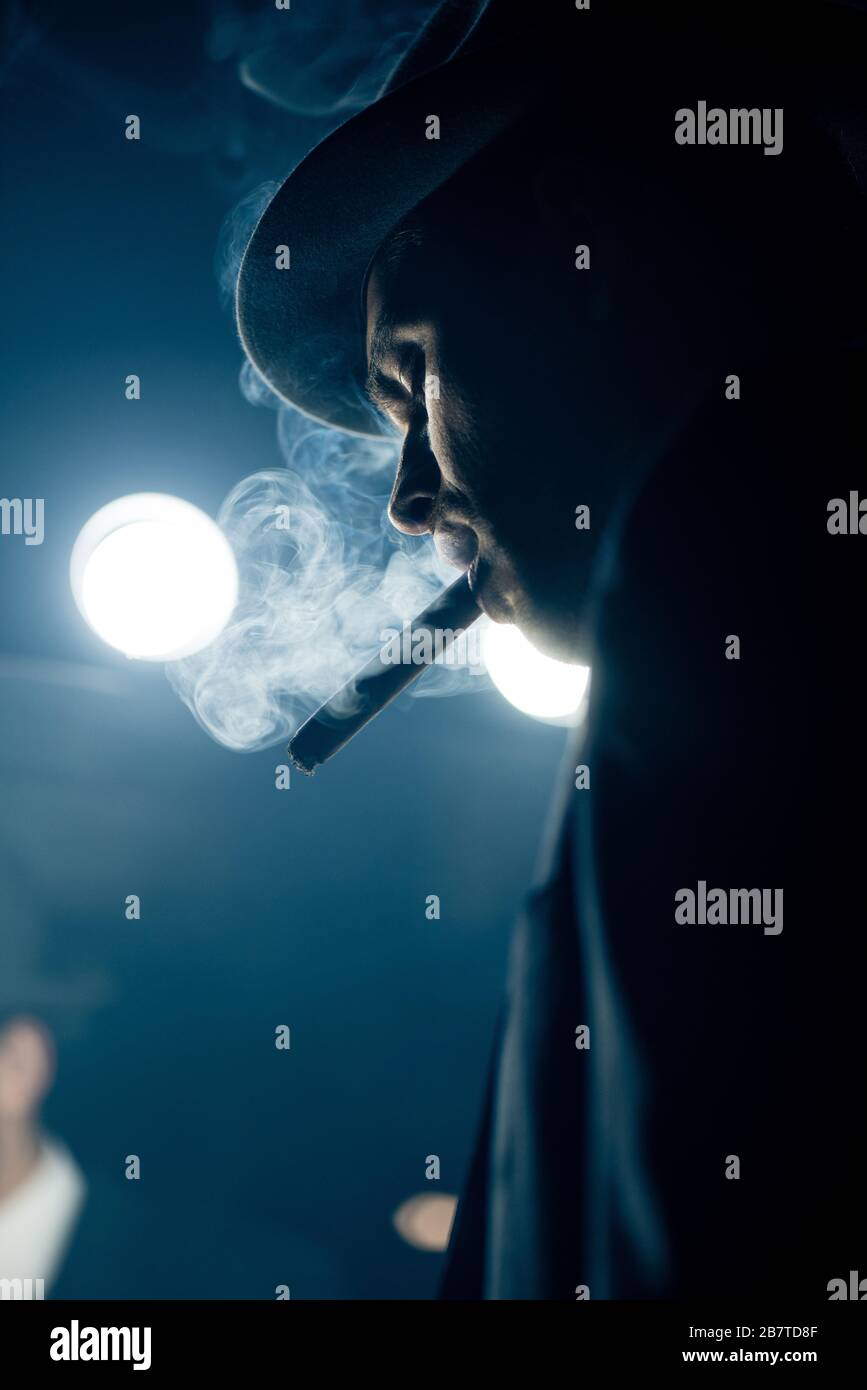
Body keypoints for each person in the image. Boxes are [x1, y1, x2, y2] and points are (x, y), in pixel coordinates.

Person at [238, 0, 867, 1297]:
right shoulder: (716, 627)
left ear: (610, 274)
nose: (410, 495)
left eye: (410, 384)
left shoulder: (768, 536)